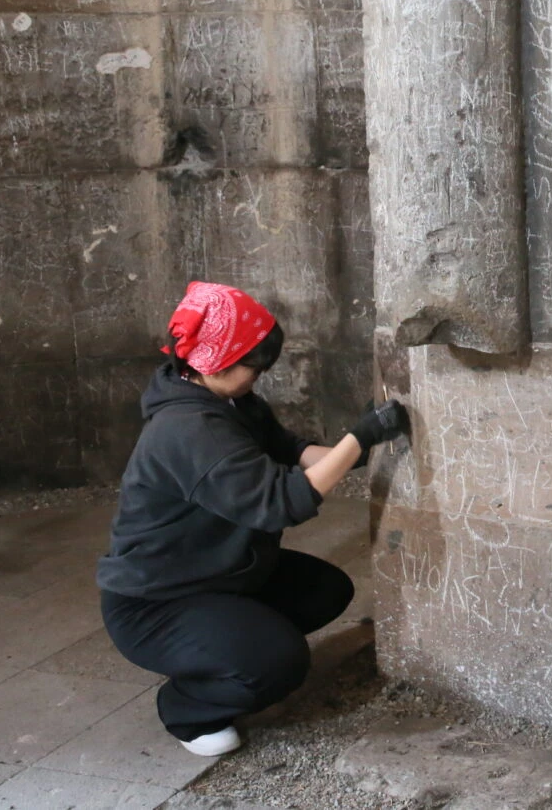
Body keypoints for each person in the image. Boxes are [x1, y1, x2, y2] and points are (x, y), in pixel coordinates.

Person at [97, 281, 407, 756]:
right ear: (213, 362)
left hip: (217, 575)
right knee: (280, 663)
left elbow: (292, 451)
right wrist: (359, 439)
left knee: (326, 591)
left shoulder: (230, 401)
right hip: (156, 603)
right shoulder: (187, 430)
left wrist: (358, 449)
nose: (260, 375)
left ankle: (223, 648)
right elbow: (281, 501)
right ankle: (187, 706)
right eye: (253, 365)